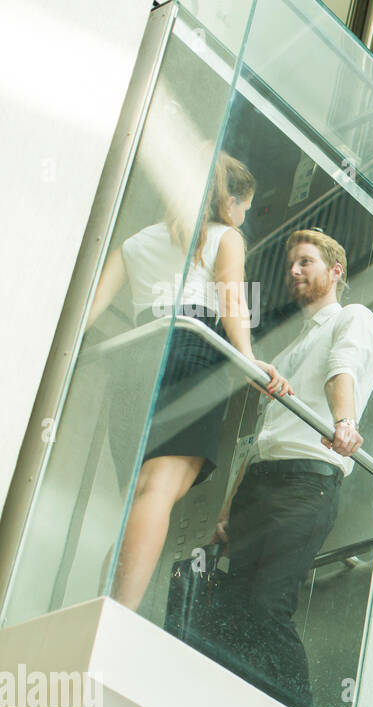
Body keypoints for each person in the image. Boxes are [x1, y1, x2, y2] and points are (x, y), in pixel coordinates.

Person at [86, 152, 292, 611]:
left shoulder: (135, 243)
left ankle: (102, 607)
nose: (244, 216)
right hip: (193, 353)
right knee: (157, 492)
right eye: (245, 207)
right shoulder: (226, 237)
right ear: (230, 201)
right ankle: (116, 614)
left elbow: (88, 310)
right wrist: (249, 361)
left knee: (141, 497)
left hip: (134, 361)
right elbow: (232, 300)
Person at [205, 228, 373, 707]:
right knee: (233, 607)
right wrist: (227, 508)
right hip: (259, 485)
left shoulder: (353, 318)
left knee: (266, 604)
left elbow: (341, 370)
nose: (294, 271)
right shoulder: (285, 354)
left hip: (306, 481)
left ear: (336, 271)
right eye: (291, 264)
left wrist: (345, 423)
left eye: (306, 261)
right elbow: (259, 435)